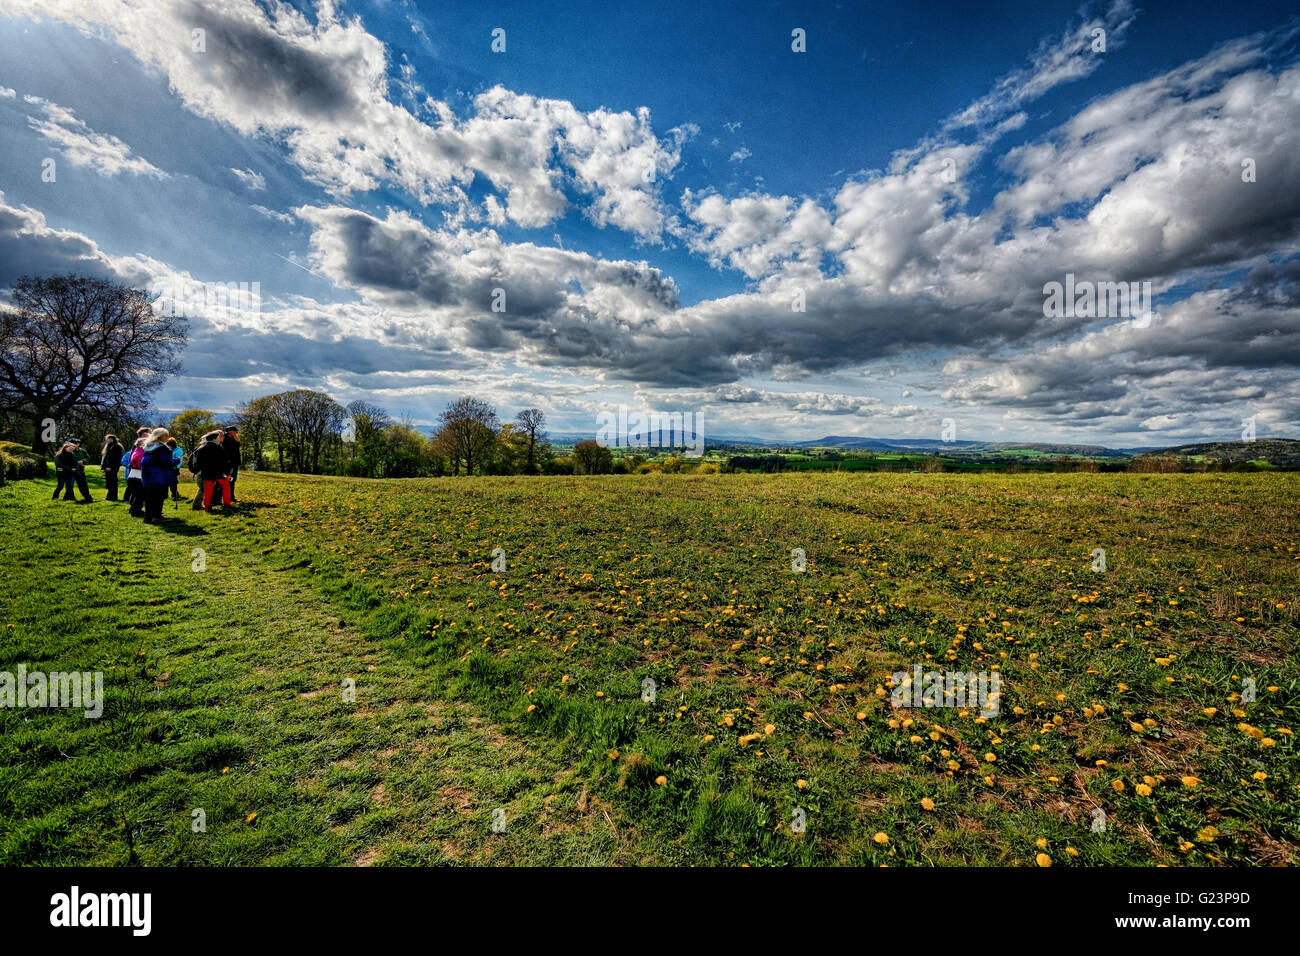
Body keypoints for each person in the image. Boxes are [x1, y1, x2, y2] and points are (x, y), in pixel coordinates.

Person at [140, 428, 175, 523]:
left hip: (148, 476)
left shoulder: (149, 446)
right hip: (159, 476)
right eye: (166, 435)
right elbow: (166, 462)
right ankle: (157, 516)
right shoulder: (162, 448)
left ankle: (148, 517)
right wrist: (175, 461)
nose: (168, 437)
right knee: (159, 497)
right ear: (160, 437)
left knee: (150, 497)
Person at [192, 430, 233, 512]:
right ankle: (227, 504)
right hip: (218, 472)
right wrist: (227, 473)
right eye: (218, 437)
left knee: (208, 490)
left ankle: (207, 506)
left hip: (207, 473)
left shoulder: (201, 449)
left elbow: (198, 462)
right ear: (215, 438)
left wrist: (202, 470)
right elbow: (225, 462)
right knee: (226, 487)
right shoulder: (219, 448)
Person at [125, 438, 147, 517]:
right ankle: (136, 512)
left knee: (136, 494)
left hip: (133, 475)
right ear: (141, 444)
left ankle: (133, 510)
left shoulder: (136, 451)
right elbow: (140, 464)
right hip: (138, 475)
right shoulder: (140, 453)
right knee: (140, 495)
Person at [100, 434, 124, 502]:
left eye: (110, 439)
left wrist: (109, 466)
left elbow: (115, 459)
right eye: (107, 439)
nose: (108, 440)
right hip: (109, 467)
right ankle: (109, 496)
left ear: (113, 439)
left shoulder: (116, 446)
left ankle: (113, 497)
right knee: (110, 482)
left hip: (111, 468)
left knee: (112, 482)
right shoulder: (110, 446)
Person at [223, 425, 241, 503]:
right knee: (229, 480)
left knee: (232, 480)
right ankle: (228, 497)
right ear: (230, 432)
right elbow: (231, 450)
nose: (236, 432)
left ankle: (231, 497)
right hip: (230, 463)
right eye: (235, 431)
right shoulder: (225, 439)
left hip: (234, 463)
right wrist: (236, 442)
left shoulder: (232, 439)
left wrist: (237, 441)